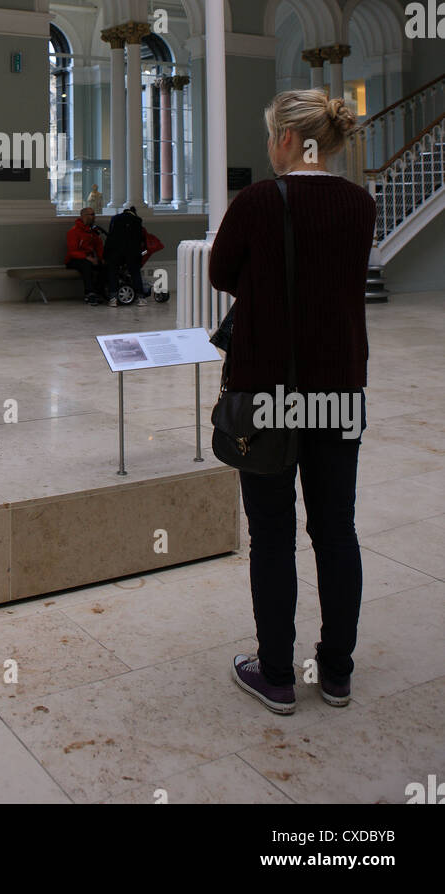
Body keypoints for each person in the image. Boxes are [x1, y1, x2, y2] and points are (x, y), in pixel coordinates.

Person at [209, 90, 376, 715]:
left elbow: (222, 273)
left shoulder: (257, 201)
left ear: (285, 138)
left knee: (272, 536)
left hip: (267, 391)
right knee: (337, 530)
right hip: (338, 388)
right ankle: (337, 673)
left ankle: (276, 673)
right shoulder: (358, 203)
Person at [104, 206, 149, 307]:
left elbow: (110, 237)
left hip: (115, 252)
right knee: (135, 272)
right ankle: (140, 297)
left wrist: (106, 254)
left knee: (113, 272)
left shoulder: (115, 218)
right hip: (132, 252)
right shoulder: (137, 220)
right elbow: (140, 239)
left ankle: (113, 298)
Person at [65, 206, 106, 305]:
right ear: (84, 216)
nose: (94, 217)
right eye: (92, 215)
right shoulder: (74, 232)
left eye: (94, 214)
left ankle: (99, 291)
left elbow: (98, 246)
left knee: (104, 266)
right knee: (86, 265)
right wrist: (87, 258)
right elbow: (72, 251)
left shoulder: (92, 232)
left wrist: (101, 258)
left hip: (89, 258)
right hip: (74, 259)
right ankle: (89, 293)